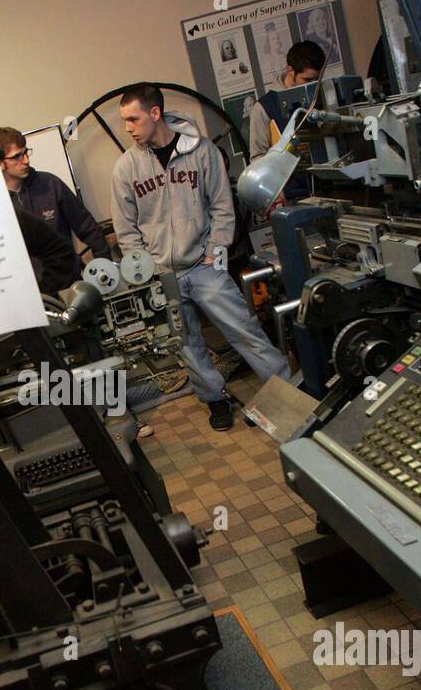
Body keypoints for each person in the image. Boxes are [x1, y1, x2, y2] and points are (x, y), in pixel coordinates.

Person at [111, 83, 292, 431]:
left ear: (155, 113)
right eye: (124, 121)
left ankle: (283, 392)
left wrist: (215, 255)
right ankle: (215, 399)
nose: (128, 128)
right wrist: (147, 272)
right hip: (162, 274)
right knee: (188, 344)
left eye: (133, 119)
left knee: (244, 330)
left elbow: (224, 207)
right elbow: (126, 229)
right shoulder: (125, 168)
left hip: (204, 266)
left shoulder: (202, 152)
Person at [0, 127, 112, 279]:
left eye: (26, 152)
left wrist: (105, 266)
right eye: (17, 157)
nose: (26, 160)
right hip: (31, 290)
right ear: (0, 163)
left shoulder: (50, 183)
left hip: (68, 280)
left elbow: (86, 226)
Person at [248, 40, 325, 161]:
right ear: (290, 70)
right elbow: (257, 158)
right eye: (307, 80)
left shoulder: (324, 93)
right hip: (289, 177)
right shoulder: (264, 107)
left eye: (317, 79)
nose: (314, 86)